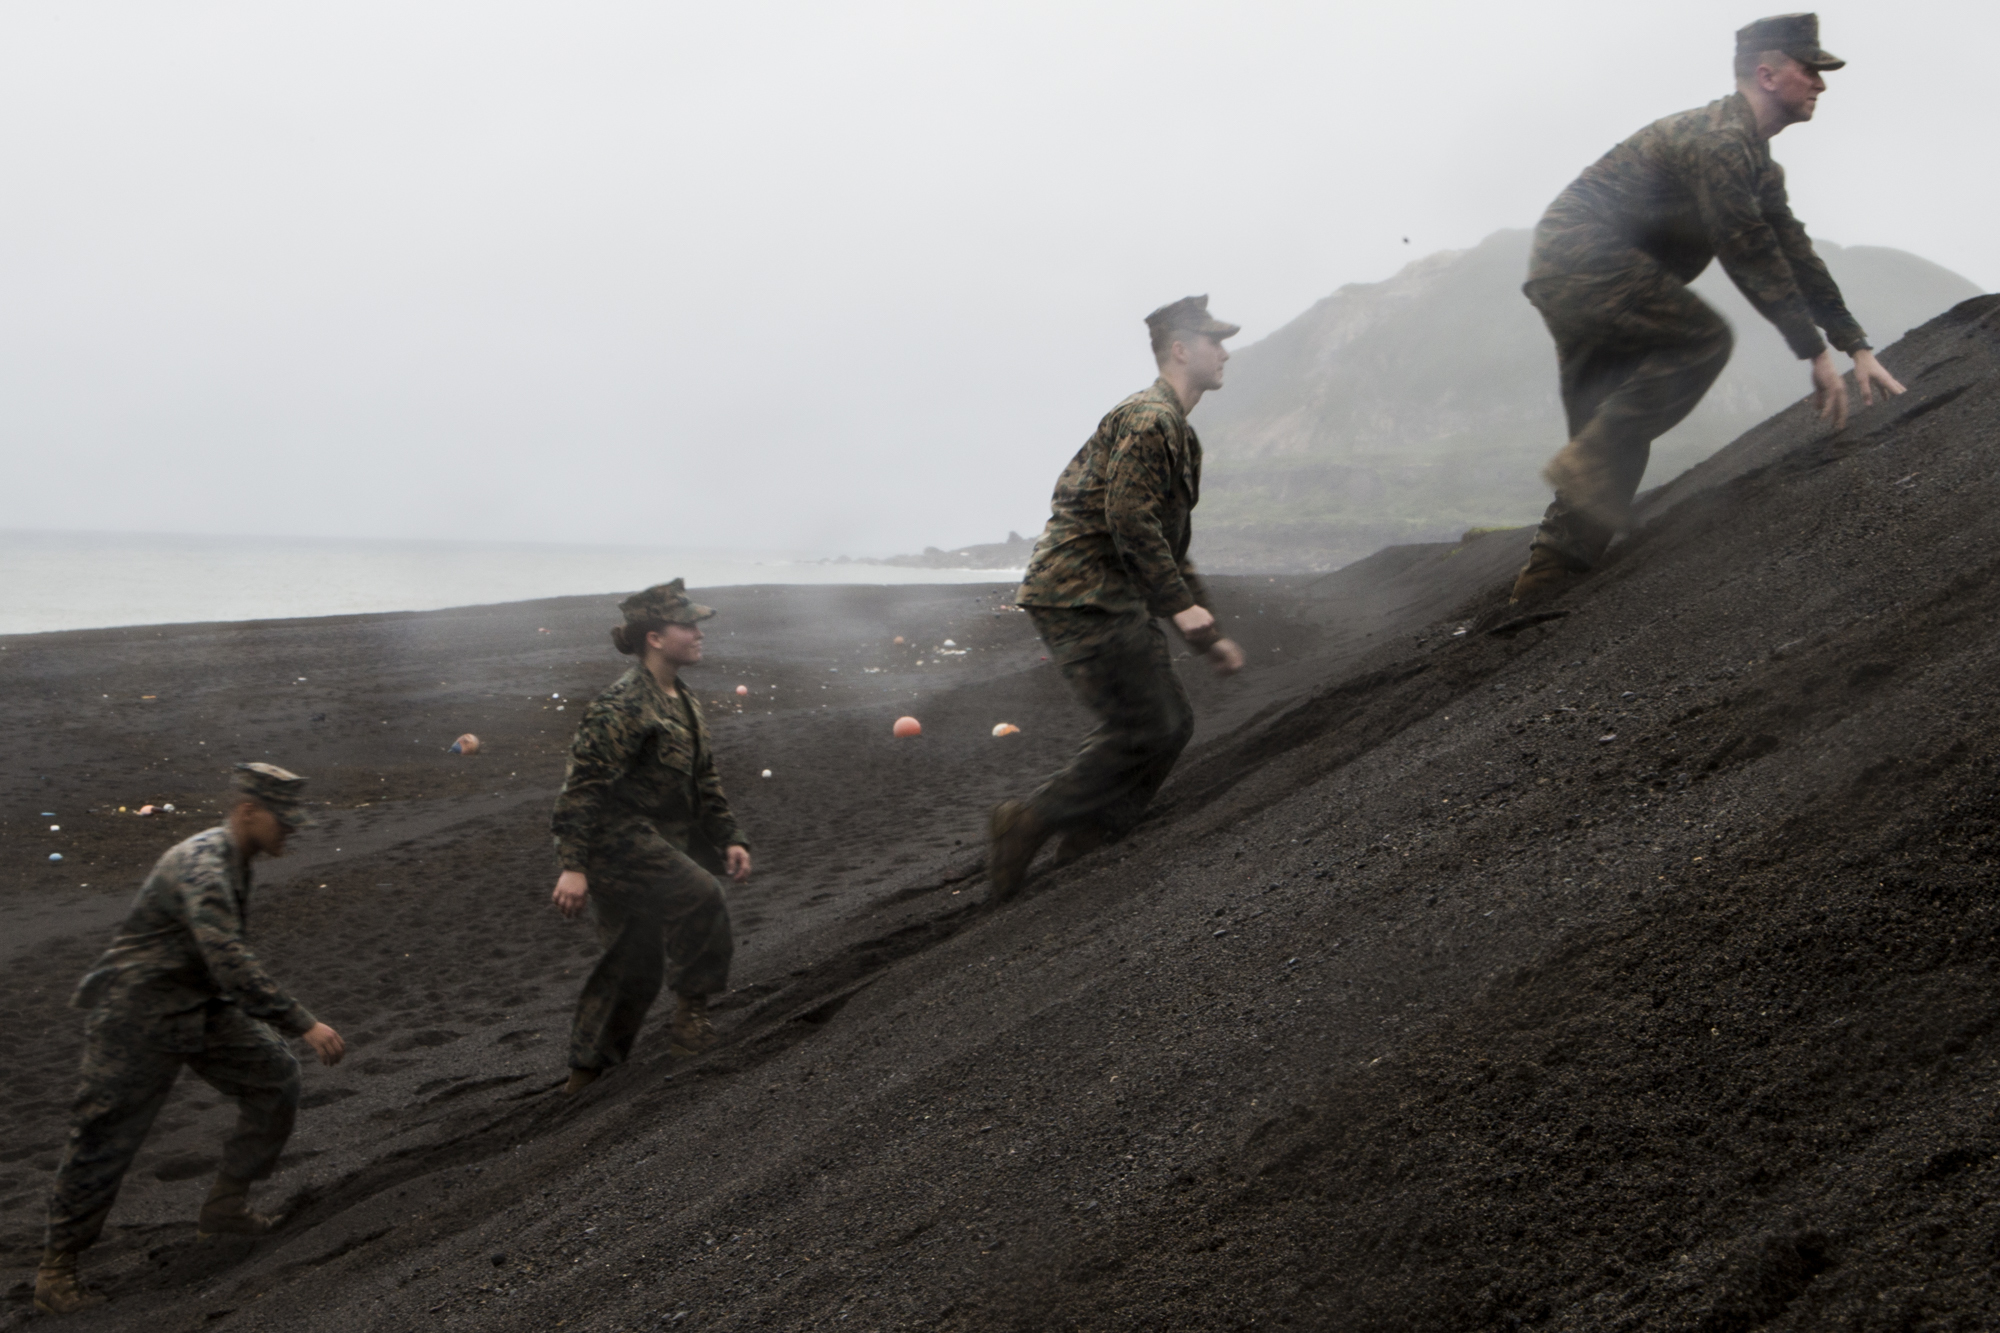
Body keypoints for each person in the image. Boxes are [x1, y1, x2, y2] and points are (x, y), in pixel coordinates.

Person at [1510, 12, 1906, 608]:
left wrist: (1855, 343)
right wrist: (1812, 351)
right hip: (1583, 258)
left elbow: (1792, 251)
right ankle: (1577, 482)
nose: (1821, 84)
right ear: (1768, 75)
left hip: (1575, 272)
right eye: (1811, 70)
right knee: (1701, 342)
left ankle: (1542, 589)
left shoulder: (1758, 164)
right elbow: (1744, 245)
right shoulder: (1720, 141)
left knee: (1611, 433)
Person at [37, 764, 345, 1317]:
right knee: (105, 1137)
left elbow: (217, 965)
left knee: (275, 1078)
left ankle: (226, 1206)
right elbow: (228, 958)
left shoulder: (237, 858)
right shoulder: (204, 864)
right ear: (248, 811)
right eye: (282, 819)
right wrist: (302, 1022)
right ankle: (57, 1269)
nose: (290, 831)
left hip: (199, 1007)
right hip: (139, 1013)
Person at [990, 295, 1248, 903]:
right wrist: (1182, 610)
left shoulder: (1178, 434)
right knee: (1151, 722)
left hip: (1102, 593)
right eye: (1215, 341)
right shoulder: (1149, 420)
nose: (1226, 351)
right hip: (1081, 592)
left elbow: (1167, 538)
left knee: (1163, 723)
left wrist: (1201, 630)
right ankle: (1026, 822)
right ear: (1180, 349)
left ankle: (1090, 837)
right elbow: (1129, 516)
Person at [549, 579, 751, 1094]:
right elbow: (583, 787)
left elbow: (703, 779)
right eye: (688, 625)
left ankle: (585, 1073)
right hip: (616, 841)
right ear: (655, 638)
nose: (699, 634)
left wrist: (729, 836)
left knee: (634, 959)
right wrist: (573, 865)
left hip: (660, 839)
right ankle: (690, 1024)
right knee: (700, 897)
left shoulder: (683, 701)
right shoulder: (622, 705)